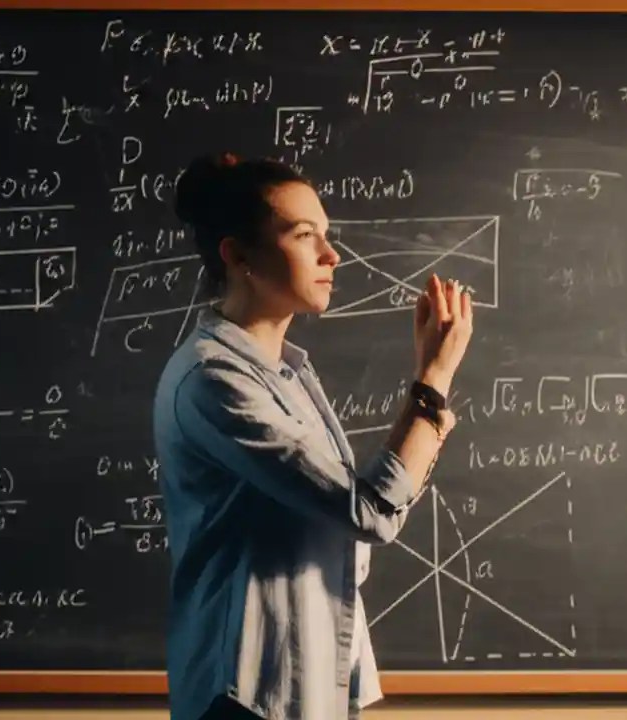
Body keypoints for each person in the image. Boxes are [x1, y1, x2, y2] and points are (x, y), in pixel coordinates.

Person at [151, 152, 474, 720]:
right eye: (305, 236)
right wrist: (433, 381)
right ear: (239, 254)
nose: (331, 255)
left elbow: (355, 522)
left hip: (313, 680)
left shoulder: (287, 372)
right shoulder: (213, 380)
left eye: (326, 235)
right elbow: (369, 512)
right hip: (252, 695)